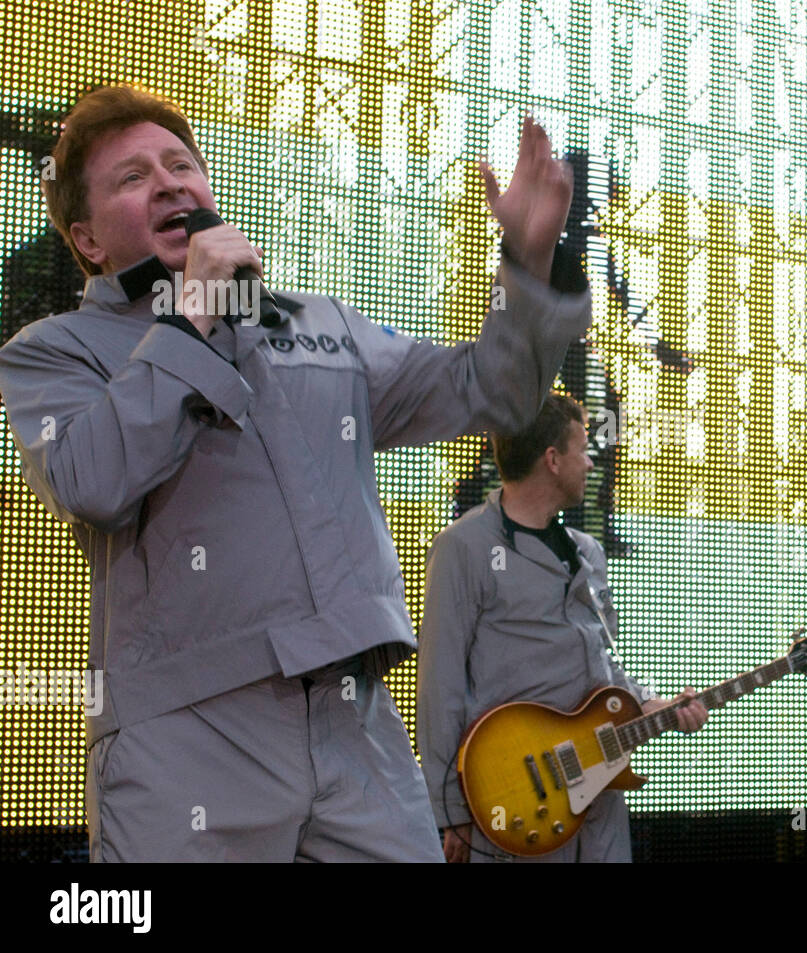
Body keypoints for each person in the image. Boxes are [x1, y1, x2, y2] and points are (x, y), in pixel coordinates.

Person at [0, 85, 590, 861]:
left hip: (359, 725)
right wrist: (192, 319)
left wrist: (530, 262)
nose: (172, 180)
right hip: (188, 731)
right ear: (87, 240)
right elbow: (92, 480)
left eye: (182, 163)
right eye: (133, 177)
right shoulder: (56, 347)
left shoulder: (319, 324)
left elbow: (492, 391)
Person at [418, 392, 708, 862]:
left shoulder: (588, 552)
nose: (592, 463)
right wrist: (450, 809)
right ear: (552, 459)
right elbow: (439, 684)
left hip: (599, 799)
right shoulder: (463, 547)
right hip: (516, 808)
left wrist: (654, 703)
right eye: (582, 449)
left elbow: (604, 662)